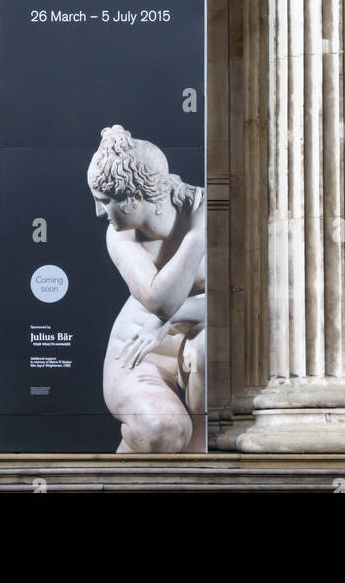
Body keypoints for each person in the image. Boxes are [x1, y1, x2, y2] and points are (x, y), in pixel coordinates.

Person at [86, 125, 206, 454]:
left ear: (137, 196)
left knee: (208, 341)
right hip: (138, 353)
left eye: (105, 200)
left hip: (194, 356)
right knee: (164, 431)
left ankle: (198, 463)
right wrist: (198, 235)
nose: (99, 211)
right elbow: (160, 302)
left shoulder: (202, 208)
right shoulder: (121, 236)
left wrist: (167, 321)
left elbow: (235, 300)